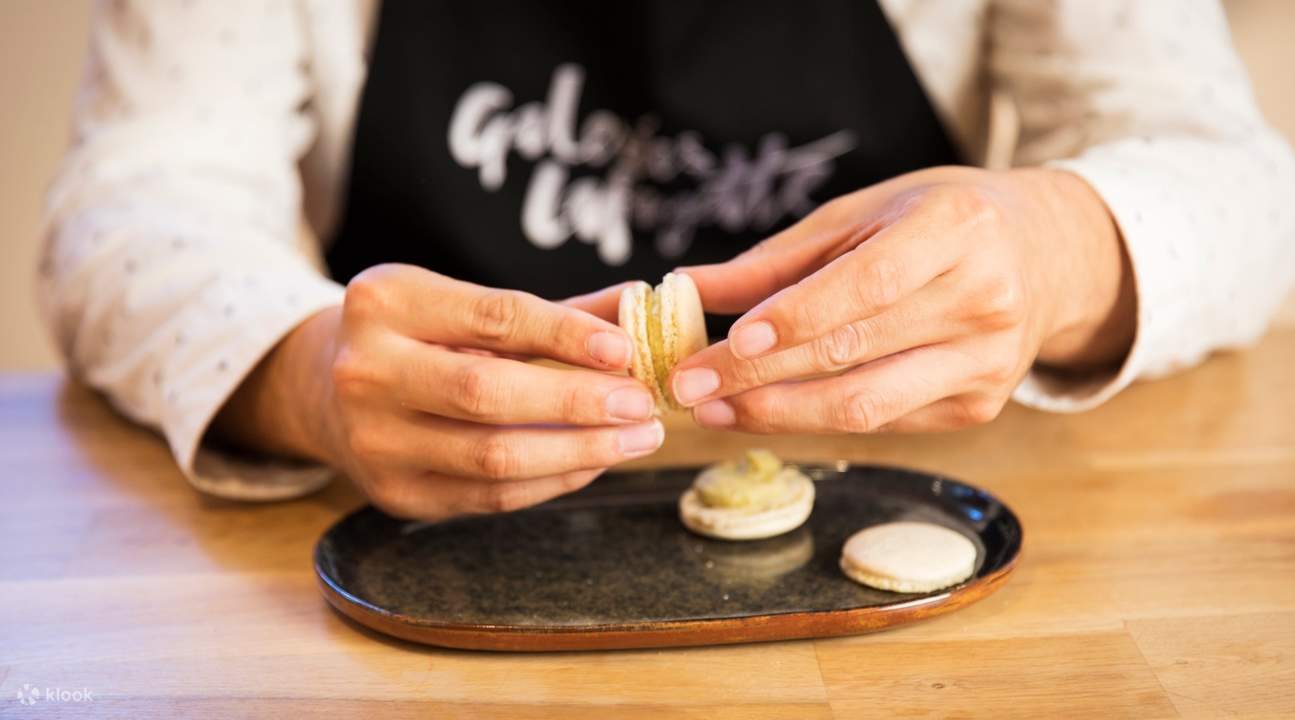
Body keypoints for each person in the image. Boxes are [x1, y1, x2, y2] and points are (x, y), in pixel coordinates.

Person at [39, 0, 1295, 520]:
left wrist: (1054, 244)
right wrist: (304, 374)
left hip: (902, 528)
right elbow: (138, 197)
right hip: (409, 558)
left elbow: (1239, 183)